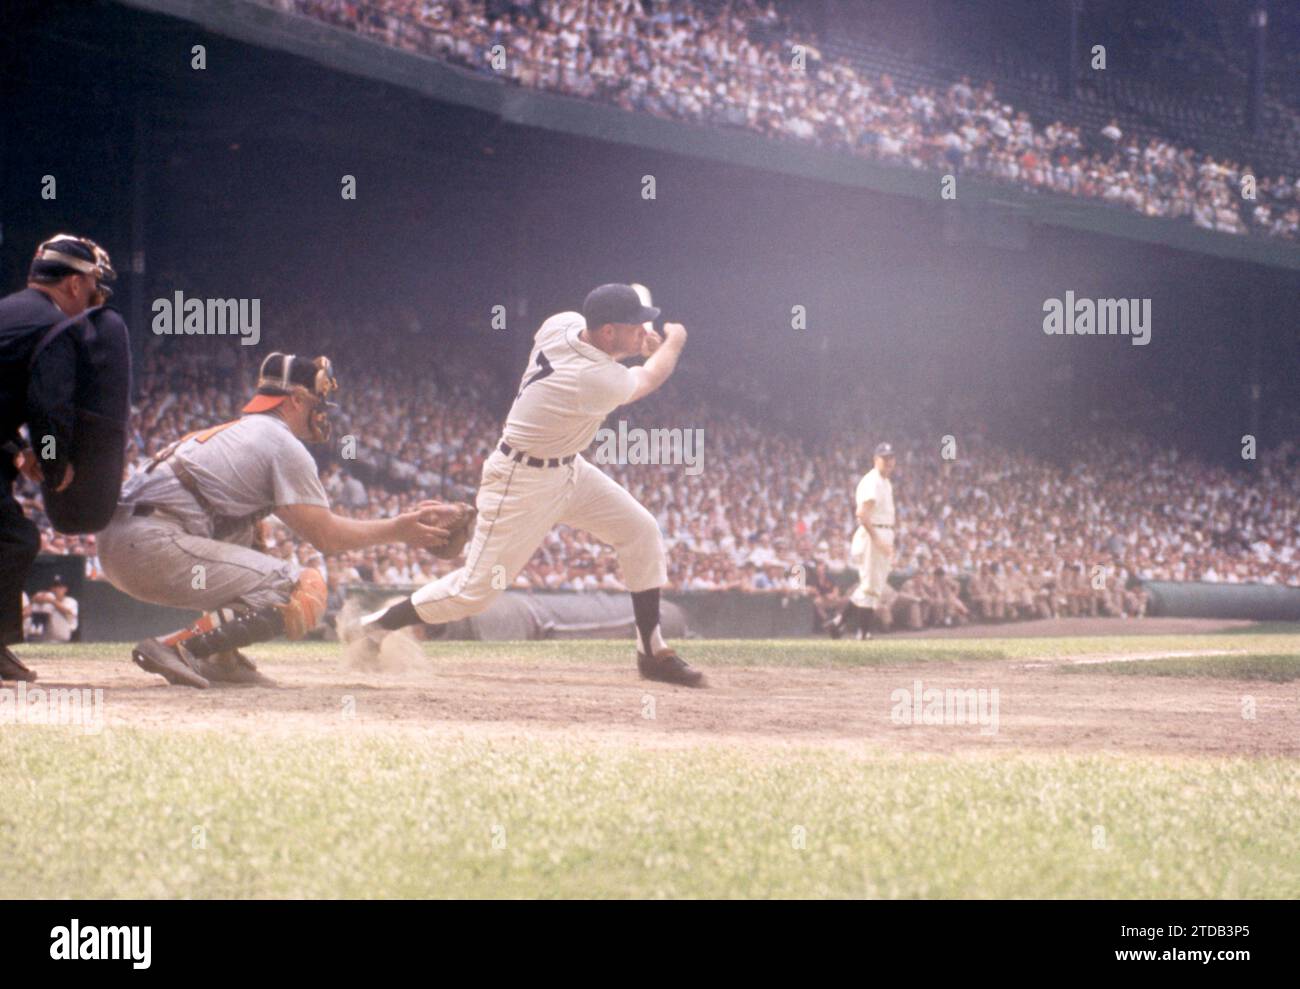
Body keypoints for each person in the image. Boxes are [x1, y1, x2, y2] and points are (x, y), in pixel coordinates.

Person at [349, 284, 705, 686]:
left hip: (568, 468)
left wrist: (633, 342)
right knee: (475, 592)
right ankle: (374, 624)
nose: (644, 328)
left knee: (640, 531)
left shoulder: (563, 322)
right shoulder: (593, 378)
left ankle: (651, 651)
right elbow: (651, 376)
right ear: (607, 331)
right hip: (523, 481)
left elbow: (611, 349)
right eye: (635, 323)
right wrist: (671, 342)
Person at [97, 352, 467, 688]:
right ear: (295, 400)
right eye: (317, 400)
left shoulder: (244, 433)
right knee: (302, 588)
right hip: (151, 542)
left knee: (253, 535)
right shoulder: (281, 443)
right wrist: (399, 528)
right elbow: (327, 538)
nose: (323, 411)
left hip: (125, 541)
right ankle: (178, 647)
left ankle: (218, 657)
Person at [1, 234, 116, 682]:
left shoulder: (12, 312)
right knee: (15, 540)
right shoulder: (54, 326)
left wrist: (16, 452)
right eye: (91, 285)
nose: (94, 296)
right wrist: (53, 463)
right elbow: (49, 408)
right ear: (72, 283)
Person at [828, 442, 896, 640]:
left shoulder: (885, 482)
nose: (889, 461)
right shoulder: (872, 481)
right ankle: (862, 632)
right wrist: (878, 540)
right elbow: (862, 514)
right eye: (884, 458)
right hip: (872, 534)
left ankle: (838, 622)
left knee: (873, 584)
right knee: (870, 586)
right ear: (876, 460)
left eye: (891, 457)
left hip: (883, 532)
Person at [29, 576, 79, 643]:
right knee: (40, 604)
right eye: (54, 587)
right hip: (45, 639)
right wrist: (36, 599)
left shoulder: (71, 601)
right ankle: (36, 626)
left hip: (63, 638)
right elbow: (31, 602)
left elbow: (69, 613)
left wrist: (52, 601)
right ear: (51, 589)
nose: (57, 589)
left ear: (65, 589)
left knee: (49, 605)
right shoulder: (47, 599)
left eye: (60, 587)